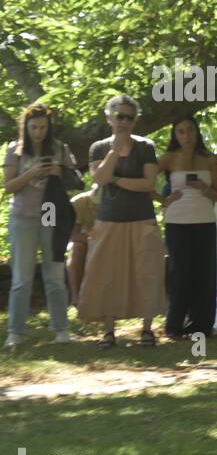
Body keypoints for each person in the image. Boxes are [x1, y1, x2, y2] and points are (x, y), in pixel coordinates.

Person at [80, 94, 167, 347]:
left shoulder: (146, 147)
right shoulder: (98, 148)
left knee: (148, 272)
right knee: (107, 274)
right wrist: (115, 152)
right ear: (109, 118)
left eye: (129, 117)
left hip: (142, 219)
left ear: (135, 120)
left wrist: (116, 180)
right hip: (109, 220)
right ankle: (109, 332)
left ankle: (147, 331)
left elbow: (149, 183)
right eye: (119, 116)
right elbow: (98, 179)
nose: (124, 122)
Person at [3, 103, 78, 346]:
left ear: (49, 127)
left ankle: (61, 330)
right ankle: (15, 332)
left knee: (55, 275)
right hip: (22, 216)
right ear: (25, 126)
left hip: (50, 212)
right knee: (22, 279)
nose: (38, 132)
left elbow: (76, 180)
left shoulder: (59, 148)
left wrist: (59, 172)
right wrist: (31, 172)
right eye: (34, 127)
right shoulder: (15, 149)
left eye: (43, 127)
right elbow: (8, 187)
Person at [155, 116, 217, 339]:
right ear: (175, 135)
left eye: (190, 130)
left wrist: (203, 187)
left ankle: (201, 325)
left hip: (205, 221)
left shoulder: (211, 159)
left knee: (205, 273)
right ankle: (174, 325)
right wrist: (163, 199)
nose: (186, 136)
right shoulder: (169, 158)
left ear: (197, 132)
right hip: (177, 222)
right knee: (179, 273)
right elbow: (145, 181)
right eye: (181, 132)